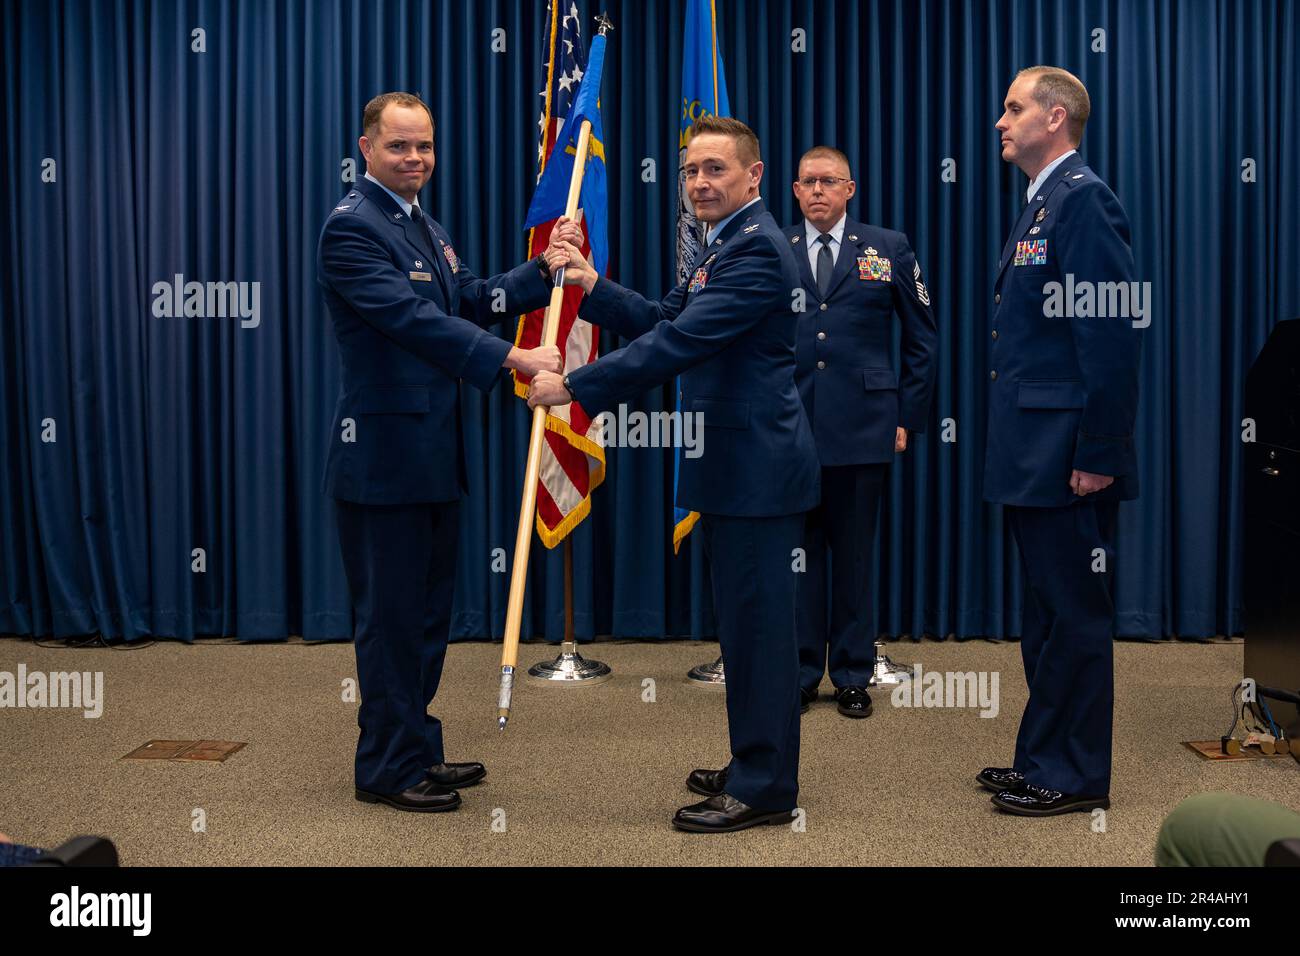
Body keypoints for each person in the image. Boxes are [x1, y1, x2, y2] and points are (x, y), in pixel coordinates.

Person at [529, 115, 821, 834]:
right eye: (690, 170)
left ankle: (764, 787)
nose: (698, 182)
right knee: (746, 632)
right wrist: (594, 286)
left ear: (754, 175)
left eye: (715, 169)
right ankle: (756, 762)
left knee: (759, 636)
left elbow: (681, 343)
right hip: (733, 468)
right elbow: (667, 317)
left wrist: (575, 385)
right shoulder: (722, 248)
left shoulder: (755, 252)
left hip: (756, 473)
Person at [317, 91, 567, 813]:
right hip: (383, 464)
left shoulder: (421, 223)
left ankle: (416, 746)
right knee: (389, 623)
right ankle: (386, 767)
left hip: (431, 457)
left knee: (425, 619)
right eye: (400, 147)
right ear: (366, 149)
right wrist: (513, 360)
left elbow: (467, 298)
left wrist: (542, 270)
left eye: (424, 146)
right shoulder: (352, 229)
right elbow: (414, 320)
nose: (416, 158)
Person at [978, 67, 1142, 816]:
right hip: (1030, 448)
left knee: (1075, 616)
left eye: (1014, 108)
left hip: (1066, 454)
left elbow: (1110, 341)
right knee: (1043, 617)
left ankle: (1076, 775)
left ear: (1055, 117)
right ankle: (1040, 757)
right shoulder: (1043, 203)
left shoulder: (1083, 201)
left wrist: (1097, 454)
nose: (1001, 120)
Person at [785, 146, 937, 719]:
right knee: (798, 557)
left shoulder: (888, 247)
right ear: (795, 191)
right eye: (808, 182)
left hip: (865, 424)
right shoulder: (777, 246)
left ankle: (851, 670)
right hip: (792, 426)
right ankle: (800, 671)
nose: (818, 191)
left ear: (850, 189)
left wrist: (906, 417)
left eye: (830, 181)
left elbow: (922, 337)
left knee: (852, 555)